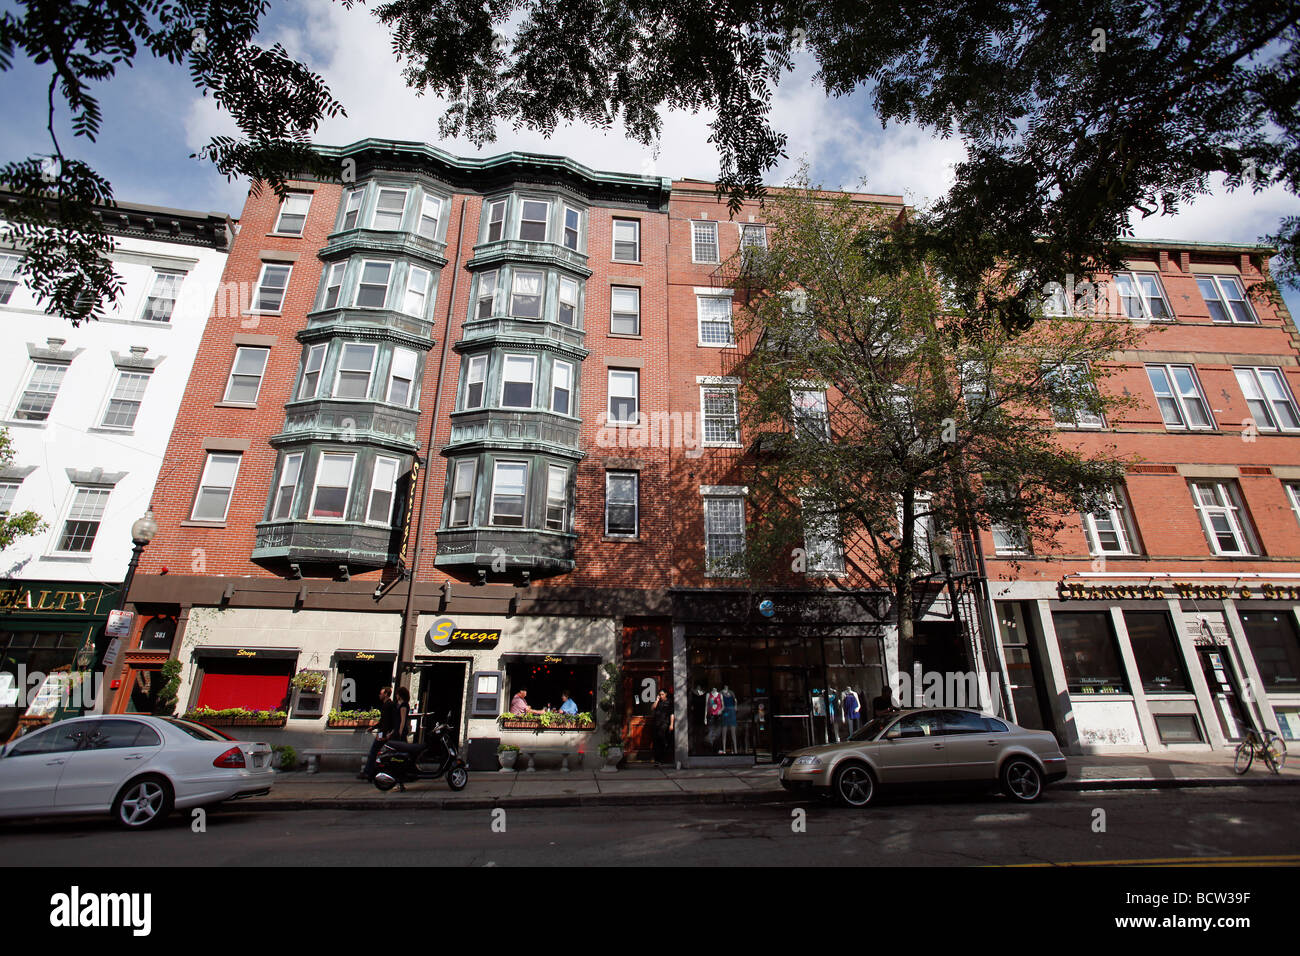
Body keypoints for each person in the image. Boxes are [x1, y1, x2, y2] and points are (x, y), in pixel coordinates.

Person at [361, 686, 399, 781]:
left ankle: (369, 772)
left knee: (374, 751)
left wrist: (383, 734)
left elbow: (386, 722)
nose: (379, 695)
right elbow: (383, 721)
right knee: (383, 752)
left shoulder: (388, 705)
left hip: (385, 733)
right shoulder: (388, 705)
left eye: (381, 693)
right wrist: (373, 727)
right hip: (386, 733)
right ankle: (372, 771)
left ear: (386, 694)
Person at [651, 690, 674, 766]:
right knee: (656, 742)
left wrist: (671, 724)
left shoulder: (669, 702)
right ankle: (657, 760)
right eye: (660, 694)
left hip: (664, 723)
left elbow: (672, 714)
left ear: (666, 694)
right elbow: (652, 708)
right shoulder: (658, 702)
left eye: (662, 694)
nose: (661, 696)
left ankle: (663, 757)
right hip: (656, 724)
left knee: (662, 739)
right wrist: (657, 700)